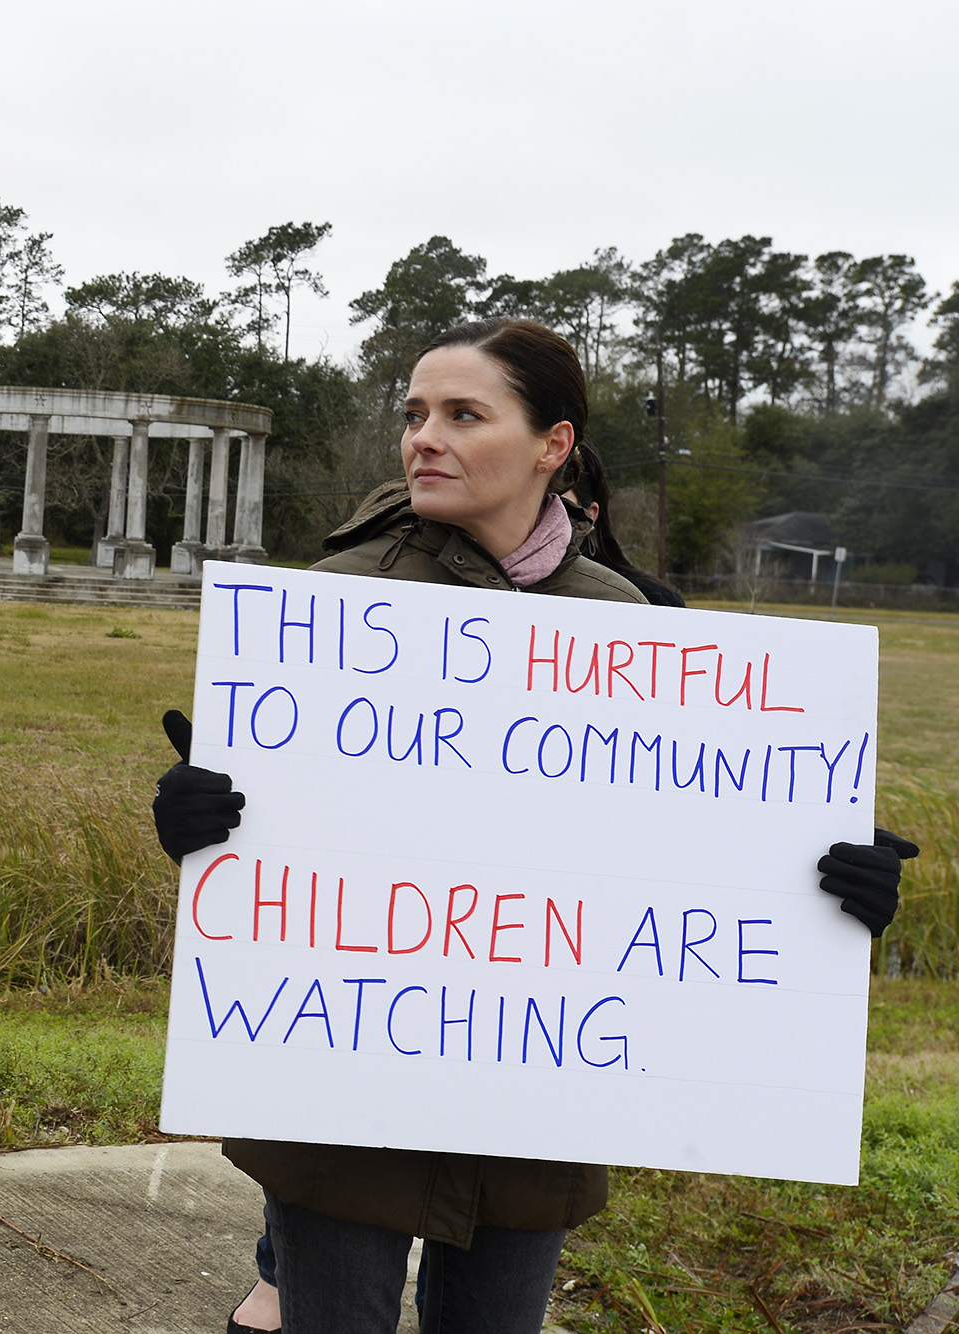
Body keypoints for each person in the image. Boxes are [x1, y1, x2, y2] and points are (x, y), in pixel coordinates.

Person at [153, 318, 918, 1334]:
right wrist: (196, 825)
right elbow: (263, 850)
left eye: (462, 414)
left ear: (551, 445)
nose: (423, 436)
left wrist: (833, 885)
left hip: (540, 1103)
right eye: (414, 413)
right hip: (338, 1095)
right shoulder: (328, 607)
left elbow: (700, 838)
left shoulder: (632, 625)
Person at [559, 440, 685, 607]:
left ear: (590, 515)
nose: (543, 518)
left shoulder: (652, 601)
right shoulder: (515, 590)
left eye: (559, 506)